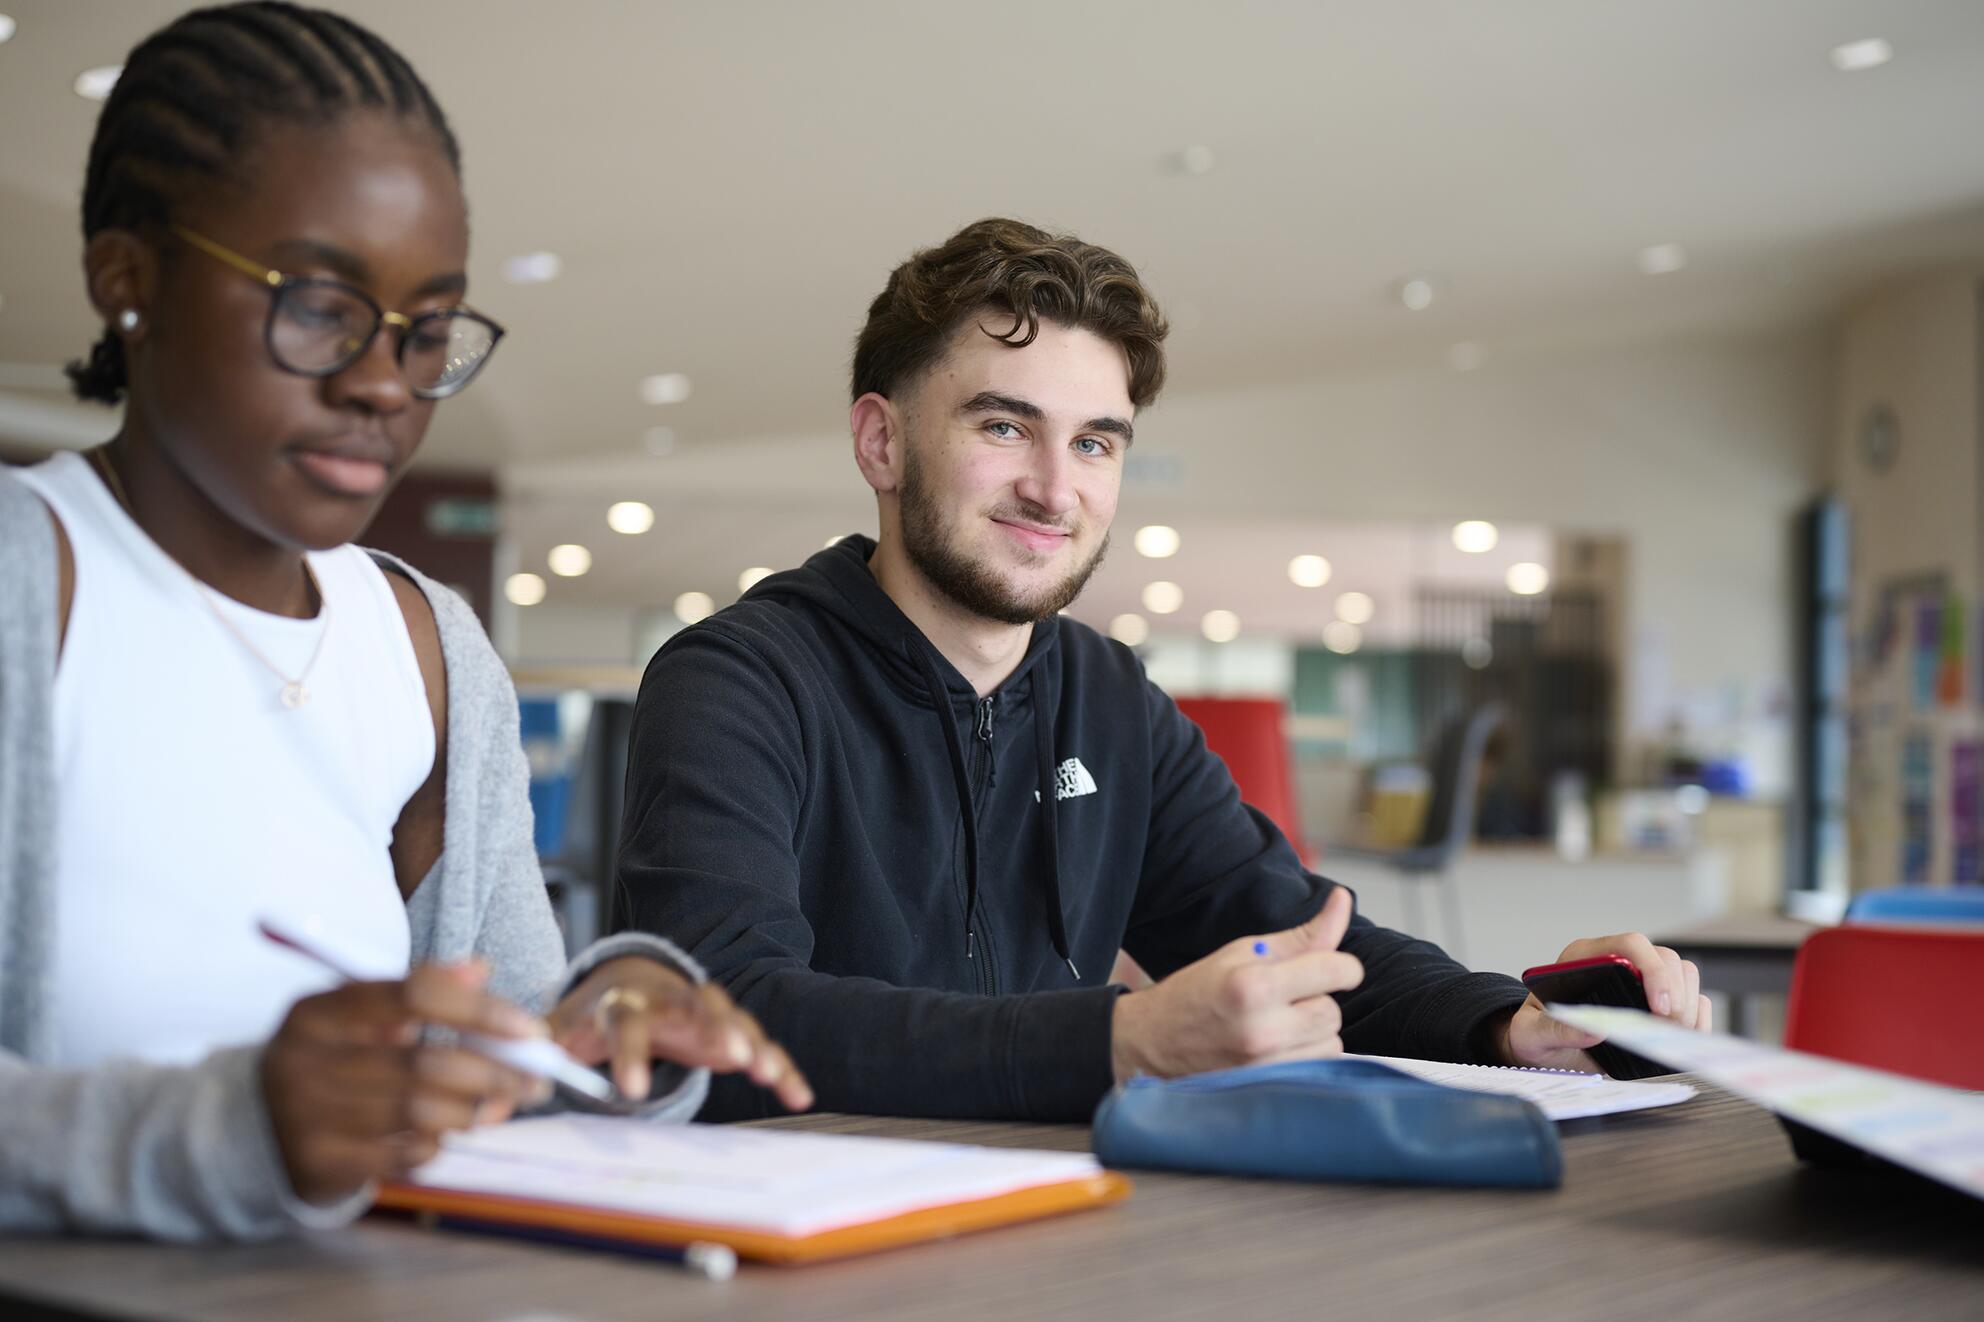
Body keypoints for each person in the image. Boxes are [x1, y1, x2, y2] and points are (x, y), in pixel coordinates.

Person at [0, 1, 808, 1243]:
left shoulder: (426, 641)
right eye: (317, 303)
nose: (382, 379)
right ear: (129, 275)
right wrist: (241, 1122)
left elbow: (507, 1072)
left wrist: (596, 1035)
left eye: (426, 329)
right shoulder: (28, 580)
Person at [614, 217, 1710, 1122]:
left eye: (1095, 441)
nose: (1056, 487)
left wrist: (1511, 1022)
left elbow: (1298, 933)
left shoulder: (1108, 700)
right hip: (804, 1240)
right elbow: (719, 1007)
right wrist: (1119, 1037)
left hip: (1059, 1227)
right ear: (881, 444)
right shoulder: (736, 680)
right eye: (1004, 425)